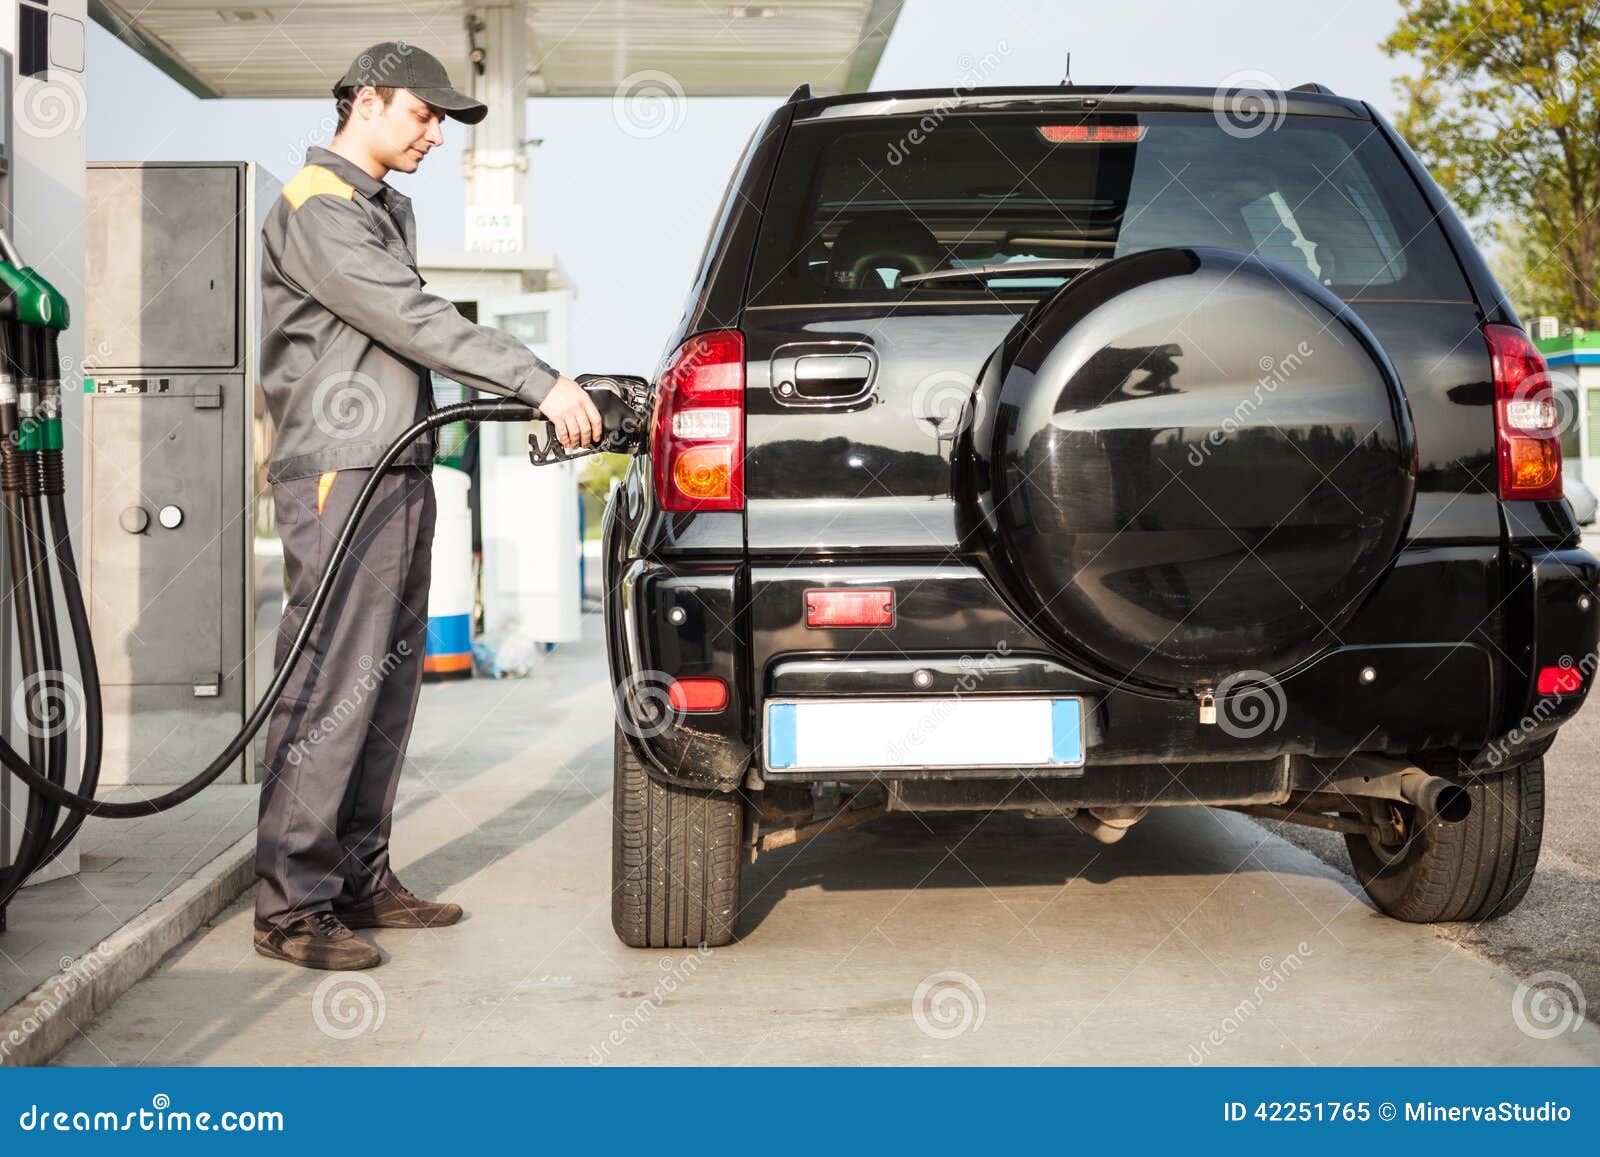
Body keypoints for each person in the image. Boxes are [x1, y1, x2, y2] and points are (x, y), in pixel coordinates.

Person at [253, 41, 602, 970]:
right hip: (340, 473)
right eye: (422, 113)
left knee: (386, 684)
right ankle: (291, 904)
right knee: (332, 685)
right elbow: (413, 320)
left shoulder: (371, 209)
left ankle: (358, 877)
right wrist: (541, 381)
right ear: (365, 102)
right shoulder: (319, 208)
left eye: (443, 118)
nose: (436, 133)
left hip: (393, 467)